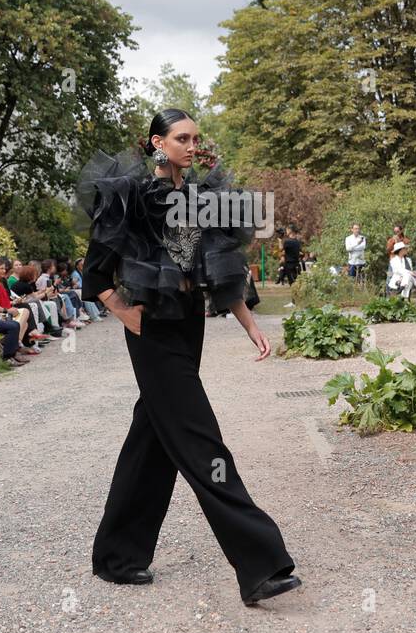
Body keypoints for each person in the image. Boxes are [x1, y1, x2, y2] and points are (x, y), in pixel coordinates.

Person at [77, 108, 299, 606]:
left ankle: (117, 556)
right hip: (152, 328)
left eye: (196, 138)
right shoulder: (130, 195)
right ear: (157, 142)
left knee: (154, 436)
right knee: (201, 441)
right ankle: (260, 564)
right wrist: (123, 312)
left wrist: (249, 325)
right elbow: (94, 275)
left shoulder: (204, 198)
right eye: (181, 138)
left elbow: (221, 270)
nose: (191, 145)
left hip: (189, 323)